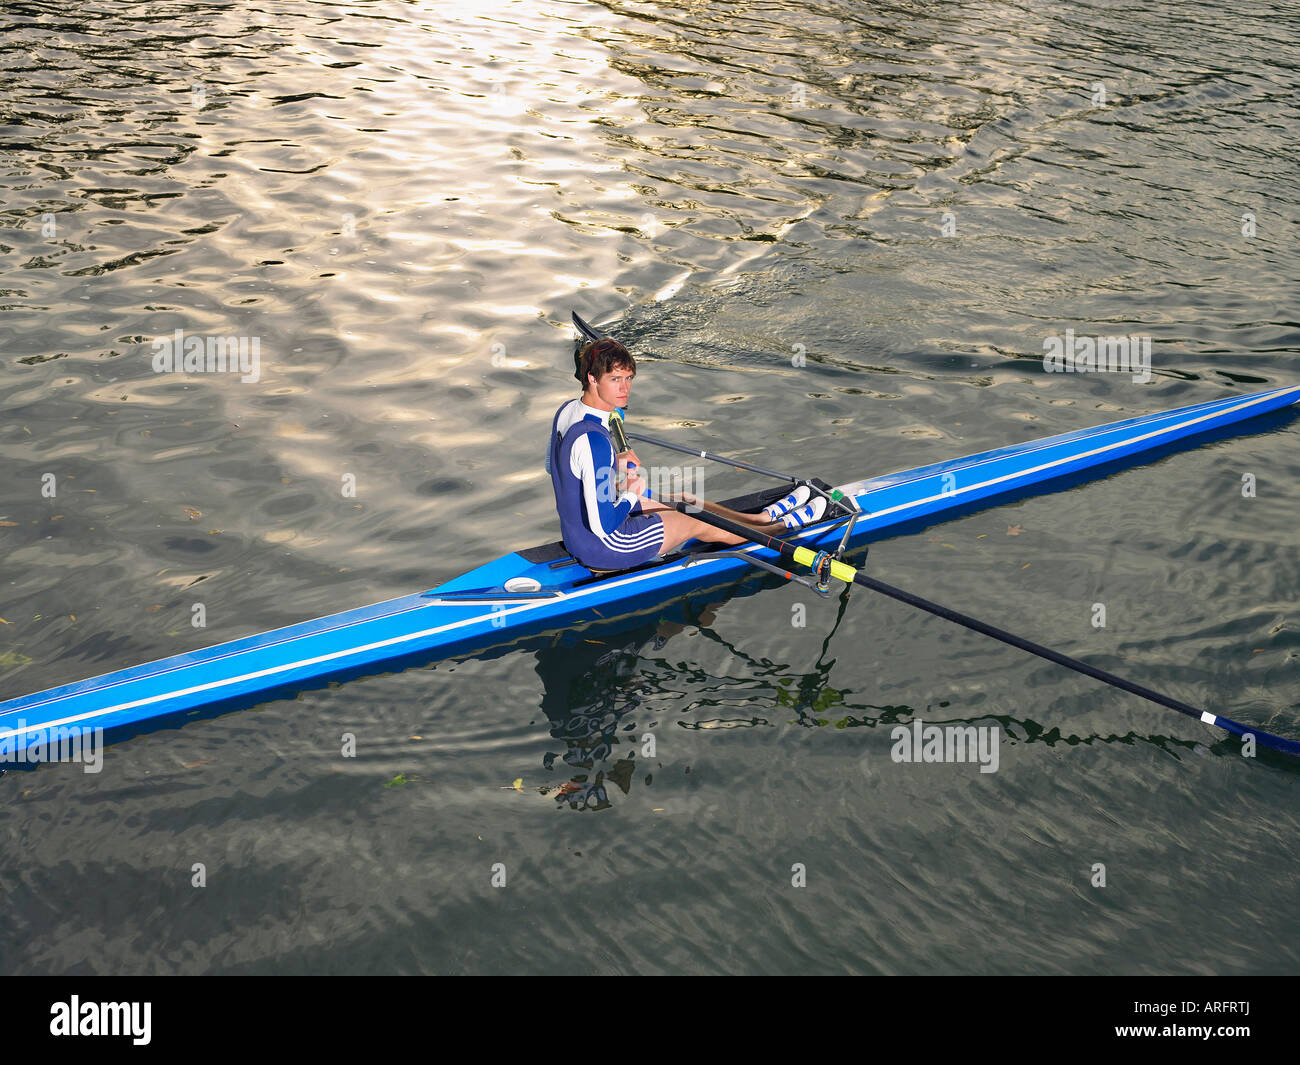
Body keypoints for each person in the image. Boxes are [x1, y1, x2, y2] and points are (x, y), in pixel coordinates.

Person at [547, 336, 825, 571]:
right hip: (606, 546)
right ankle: (783, 529)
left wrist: (614, 460)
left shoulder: (567, 410)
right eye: (615, 379)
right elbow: (603, 525)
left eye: (629, 378)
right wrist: (632, 490)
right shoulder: (594, 441)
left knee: (684, 500)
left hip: (576, 535)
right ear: (592, 378)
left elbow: (554, 467)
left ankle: (761, 519)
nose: (625, 388)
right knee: (693, 519)